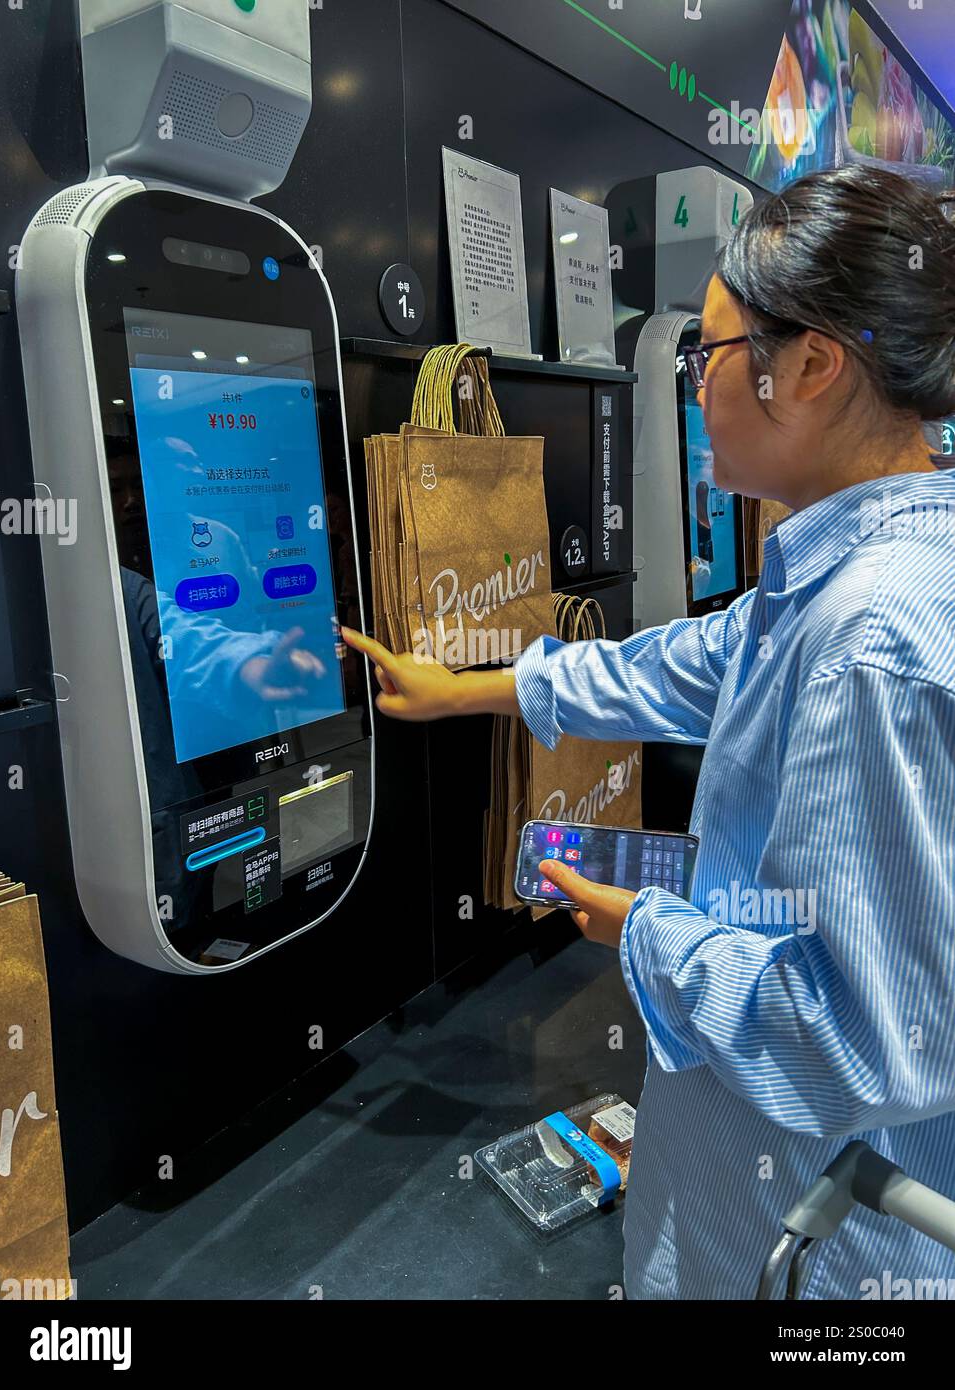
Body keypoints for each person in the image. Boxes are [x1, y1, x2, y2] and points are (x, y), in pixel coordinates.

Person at [343, 164, 955, 1300]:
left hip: (817, 1249)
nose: (700, 386)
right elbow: (676, 669)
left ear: (810, 365)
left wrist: (646, 932)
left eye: (708, 356)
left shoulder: (869, 642)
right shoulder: (877, 574)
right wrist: (468, 687)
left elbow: (864, 1040)